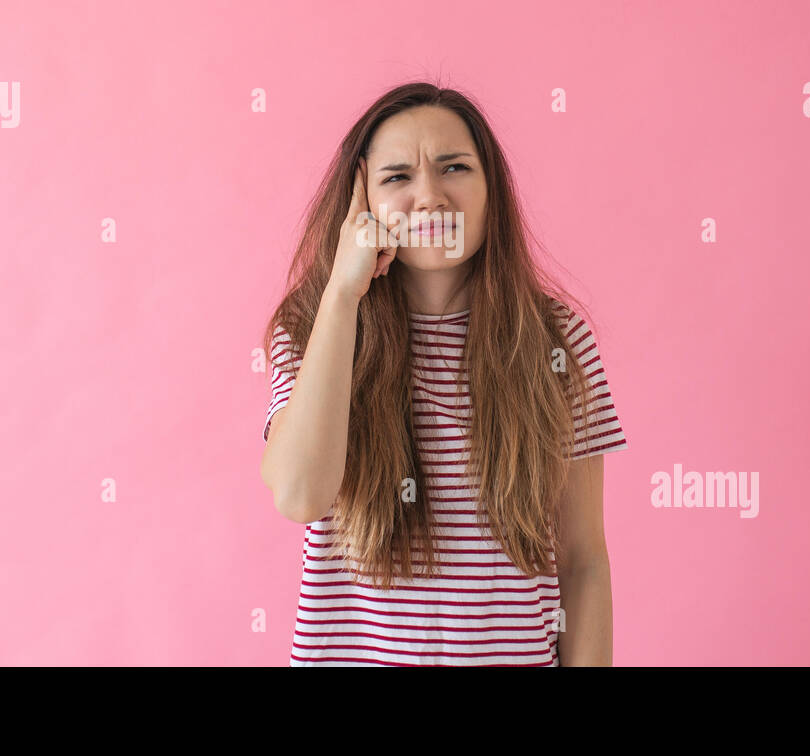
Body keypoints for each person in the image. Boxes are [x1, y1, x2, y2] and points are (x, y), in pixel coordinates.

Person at [259, 81, 627, 666]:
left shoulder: (556, 341)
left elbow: (584, 561)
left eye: (454, 167)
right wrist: (342, 293)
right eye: (397, 177)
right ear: (362, 206)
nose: (429, 197)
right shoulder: (311, 327)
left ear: (492, 190)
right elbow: (301, 494)